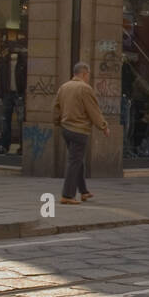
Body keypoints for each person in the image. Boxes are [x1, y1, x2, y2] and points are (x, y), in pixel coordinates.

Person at [52, 62, 109, 205]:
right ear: (84, 74)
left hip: (66, 129)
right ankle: (67, 195)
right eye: (88, 74)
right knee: (74, 162)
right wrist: (103, 126)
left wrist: (57, 122)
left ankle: (83, 191)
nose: (89, 77)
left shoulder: (64, 87)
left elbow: (56, 108)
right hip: (79, 130)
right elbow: (93, 110)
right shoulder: (85, 89)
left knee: (78, 161)